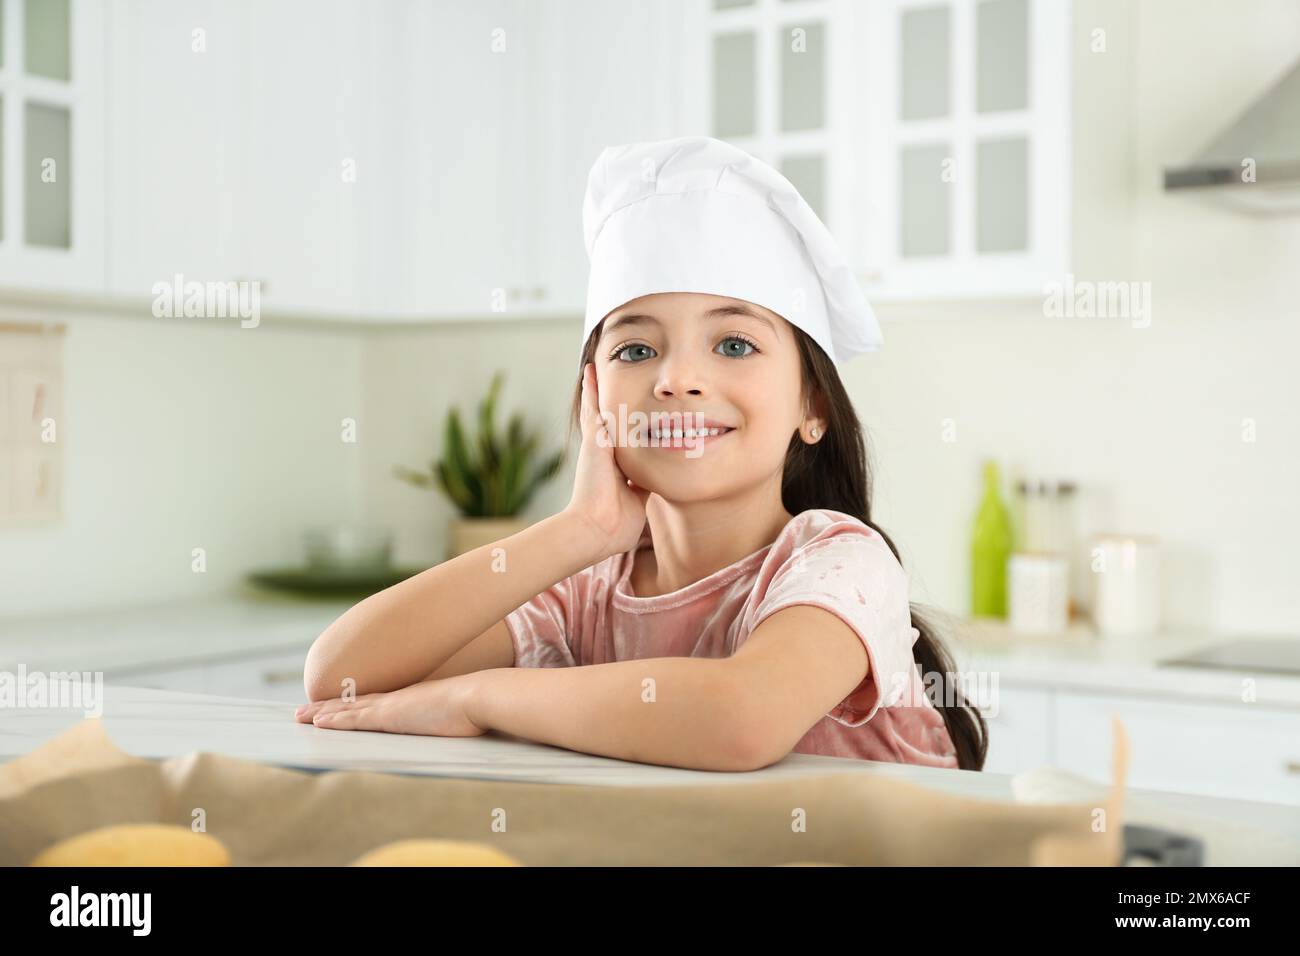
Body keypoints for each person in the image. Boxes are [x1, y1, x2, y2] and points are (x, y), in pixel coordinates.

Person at [299, 136, 986, 772]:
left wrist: (477, 698)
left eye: (734, 344)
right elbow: (340, 675)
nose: (676, 378)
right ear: (595, 396)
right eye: (636, 349)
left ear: (814, 408)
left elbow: (741, 718)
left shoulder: (837, 560)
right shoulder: (588, 592)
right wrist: (581, 530)